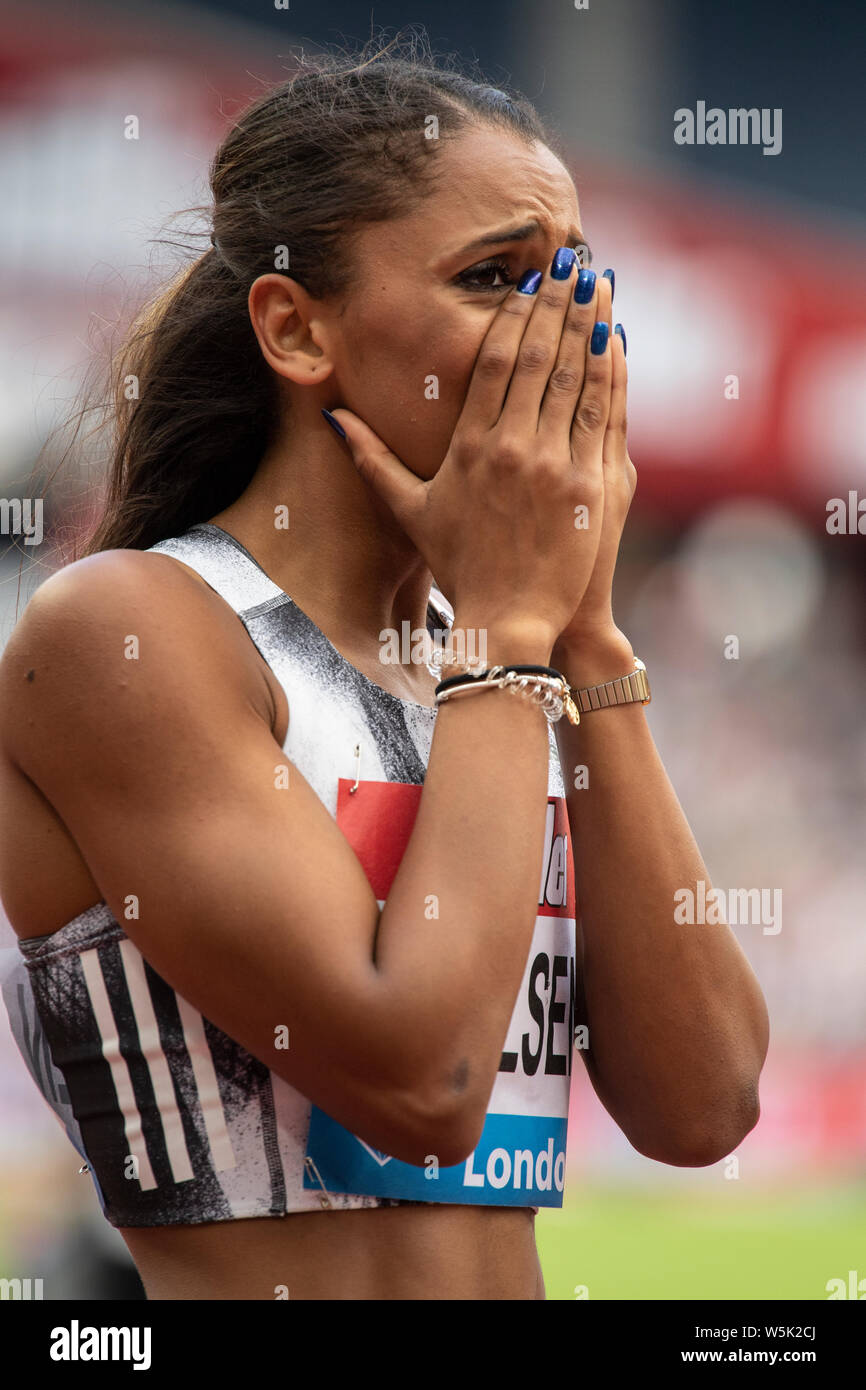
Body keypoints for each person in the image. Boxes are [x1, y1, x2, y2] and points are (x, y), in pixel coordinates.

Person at [0, 37, 769, 1300]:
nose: (558, 337)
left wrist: (585, 637)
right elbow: (424, 1086)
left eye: (574, 282)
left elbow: (704, 1105)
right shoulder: (130, 631)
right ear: (298, 330)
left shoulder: (484, 672)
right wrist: (512, 640)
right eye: (492, 279)